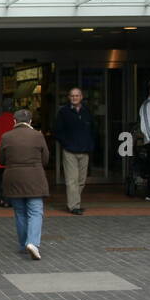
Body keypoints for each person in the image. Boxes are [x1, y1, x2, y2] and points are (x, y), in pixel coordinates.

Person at [0, 108, 49, 260]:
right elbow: (46, 159)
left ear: (14, 121)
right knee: (35, 211)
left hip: (13, 178)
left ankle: (23, 244)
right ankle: (32, 242)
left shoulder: (6, 136)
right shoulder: (38, 136)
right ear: (30, 121)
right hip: (34, 178)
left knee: (20, 212)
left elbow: (1, 160)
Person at [54, 87, 96, 215]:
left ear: (81, 97)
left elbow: (94, 130)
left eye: (77, 95)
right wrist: (66, 144)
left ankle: (75, 202)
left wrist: (90, 144)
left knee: (81, 180)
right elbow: (57, 131)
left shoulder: (87, 111)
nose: (74, 98)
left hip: (84, 151)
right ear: (69, 97)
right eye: (72, 96)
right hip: (70, 151)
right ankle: (73, 206)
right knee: (71, 180)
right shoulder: (63, 112)